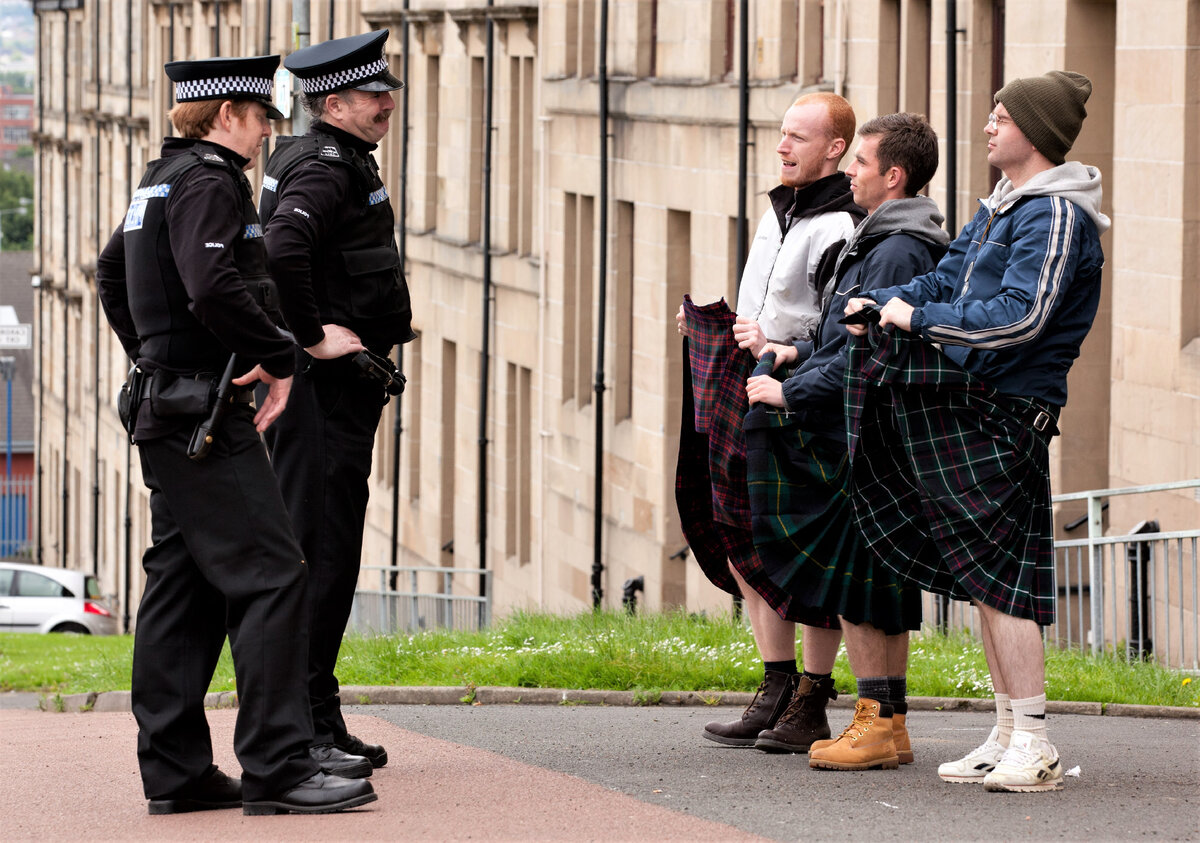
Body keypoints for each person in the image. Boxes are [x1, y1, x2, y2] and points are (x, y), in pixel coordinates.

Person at [96, 55, 376, 815]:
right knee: (275, 571)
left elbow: (110, 274)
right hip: (209, 416)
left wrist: (154, 356)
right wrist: (278, 354)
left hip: (168, 406)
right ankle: (280, 765)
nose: (265, 138)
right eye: (259, 120)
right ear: (226, 115)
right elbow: (213, 283)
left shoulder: (157, 178)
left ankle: (177, 771)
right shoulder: (210, 181)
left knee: (182, 585)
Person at [842, 71, 1108, 791]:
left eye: (1002, 116)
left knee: (1005, 584)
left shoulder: (1054, 215)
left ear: (1037, 132)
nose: (988, 125)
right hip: (976, 402)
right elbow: (946, 279)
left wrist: (917, 320)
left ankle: (1036, 740)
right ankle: (1005, 732)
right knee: (988, 581)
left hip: (1010, 410)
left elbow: (1024, 315)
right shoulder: (1002, 206)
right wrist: (883, 300)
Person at [739, 112, 949, 766]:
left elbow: (870, 351)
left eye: (860, 162)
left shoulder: (896, 247)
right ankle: (884, 719)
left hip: (871, 433)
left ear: (894, 175)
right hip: (871, 427)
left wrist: (791, 388)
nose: (849, 171)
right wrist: (796, 352)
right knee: (873, 583)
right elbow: (842, 339)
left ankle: (877, 719)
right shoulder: (887, 237)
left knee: (862, 584)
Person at [674, 92, 863, 748]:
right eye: (782, 135)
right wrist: (716, 321)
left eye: (797, 138)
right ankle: (775, 686)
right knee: (742, 536)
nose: (782, 147)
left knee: (798, 548)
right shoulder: (777, 208)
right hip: (748, 381)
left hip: (799, 391)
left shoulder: (841, 225)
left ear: (835, 148)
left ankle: (811, 697)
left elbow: (832, 324)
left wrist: (773, 340)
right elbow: (760, 297)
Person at [259, 29, 415, 778]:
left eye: (387, 90)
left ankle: (319, 713)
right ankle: (303, 728)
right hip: (323, 399)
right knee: (320, 558)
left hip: (336, 400)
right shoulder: (324, 168)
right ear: (333, 102)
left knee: (329, 554)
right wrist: (314, 334)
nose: (387, 103)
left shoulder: (330, 157)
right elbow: (283, 247)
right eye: (372, 94)